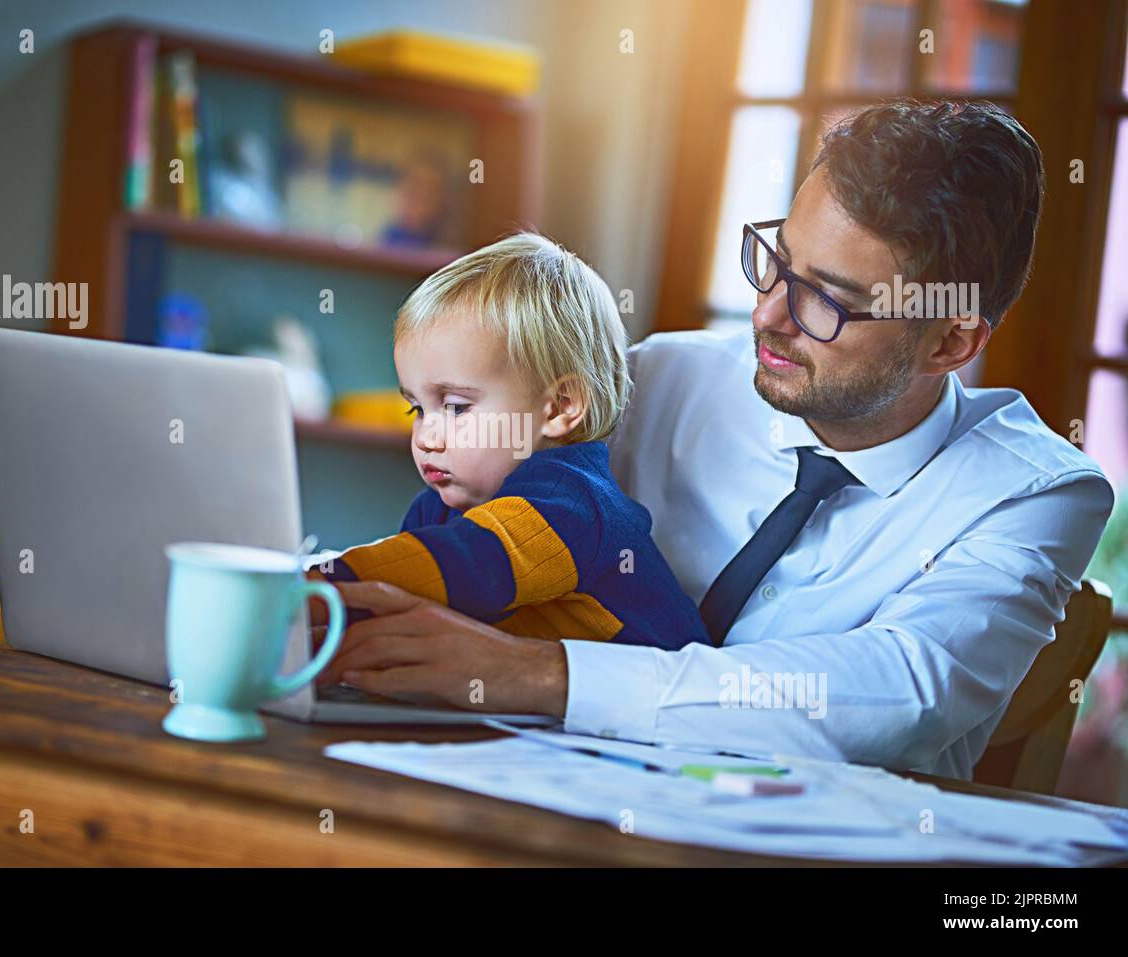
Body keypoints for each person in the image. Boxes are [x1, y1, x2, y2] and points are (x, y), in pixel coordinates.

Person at [319, 99, 1116, 779]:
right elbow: (479, 519)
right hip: (548, 802)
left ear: (950, 341)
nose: (767, 314)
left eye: (826, 302)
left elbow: (900, 692)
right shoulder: (662, 376)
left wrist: (533, 674)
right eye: (776, 262)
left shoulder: (1033, 491)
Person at [314, 233, 712, 652]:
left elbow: (466, 565)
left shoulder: (573, 505)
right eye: (417, 409)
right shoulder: (440, 508)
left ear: (559, 408)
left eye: (455, 407)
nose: (426, 437)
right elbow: (390, 606)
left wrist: (306, 588)